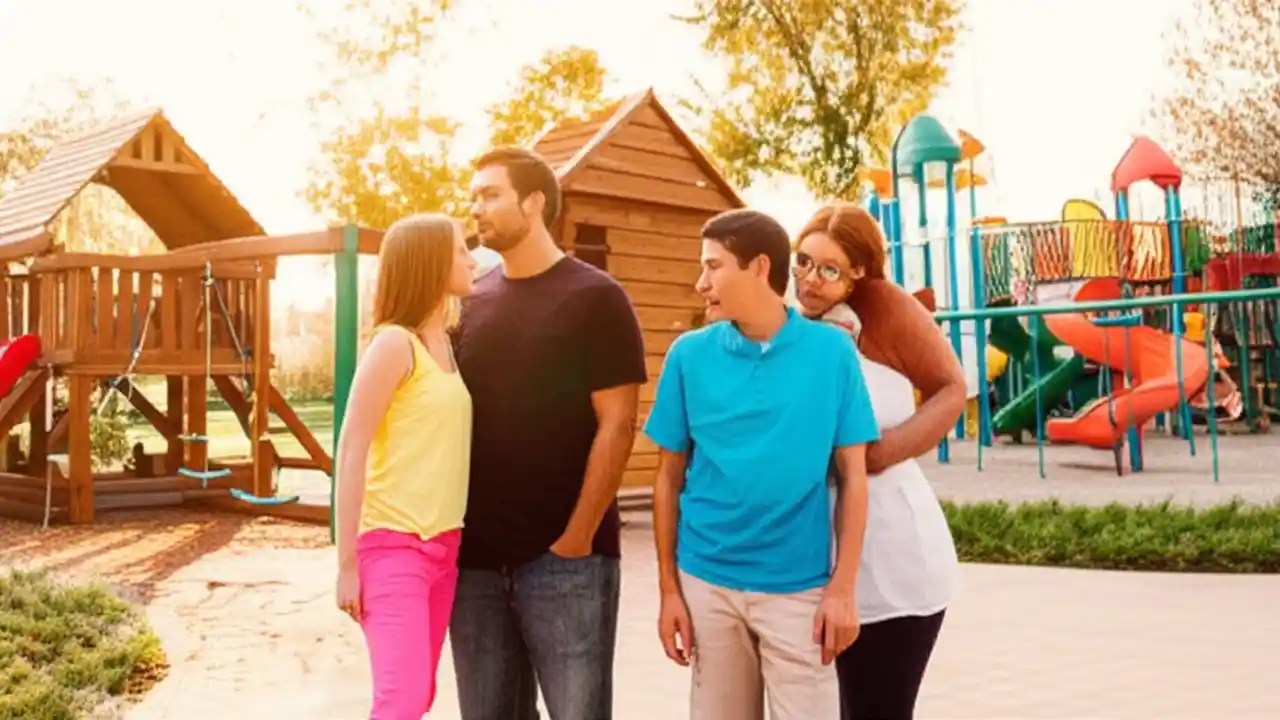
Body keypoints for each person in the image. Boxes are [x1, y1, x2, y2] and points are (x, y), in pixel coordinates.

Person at [646, 207, 881, 719]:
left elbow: (854, 477)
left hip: (798, 587)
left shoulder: (832, 353)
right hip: (706, 581)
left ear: (758, 267)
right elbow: (667, 478)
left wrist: (842, 590)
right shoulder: (688, 355)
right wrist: (668, 591)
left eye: (713, 266)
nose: (701, 283)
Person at [449, 146, 647, 719]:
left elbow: (618, 424)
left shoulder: (596, 297)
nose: (476, 208)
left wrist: (576, 538)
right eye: (474, 197)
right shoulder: (470, 301)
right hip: (475, 566)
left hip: (566, 562)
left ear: (534, 202)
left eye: (491, 195)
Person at [791, 202, 967, 720]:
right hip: (811, 561)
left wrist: (880, 454)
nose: (810, 279)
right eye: (803, 261)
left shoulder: (884, 308)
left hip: (891, 556)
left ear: (860, 271)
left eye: (830, 269)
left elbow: (951, 388)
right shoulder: (789, 319)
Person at [333, 212, 478, 719]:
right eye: (461, 250)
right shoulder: (394, 344)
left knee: (418, 697)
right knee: (402, 700)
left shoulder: (446, 345)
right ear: (431, 262)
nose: (472, 260)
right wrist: (347, 565)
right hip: (394, 546)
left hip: (445, 547)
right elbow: (352, 448)